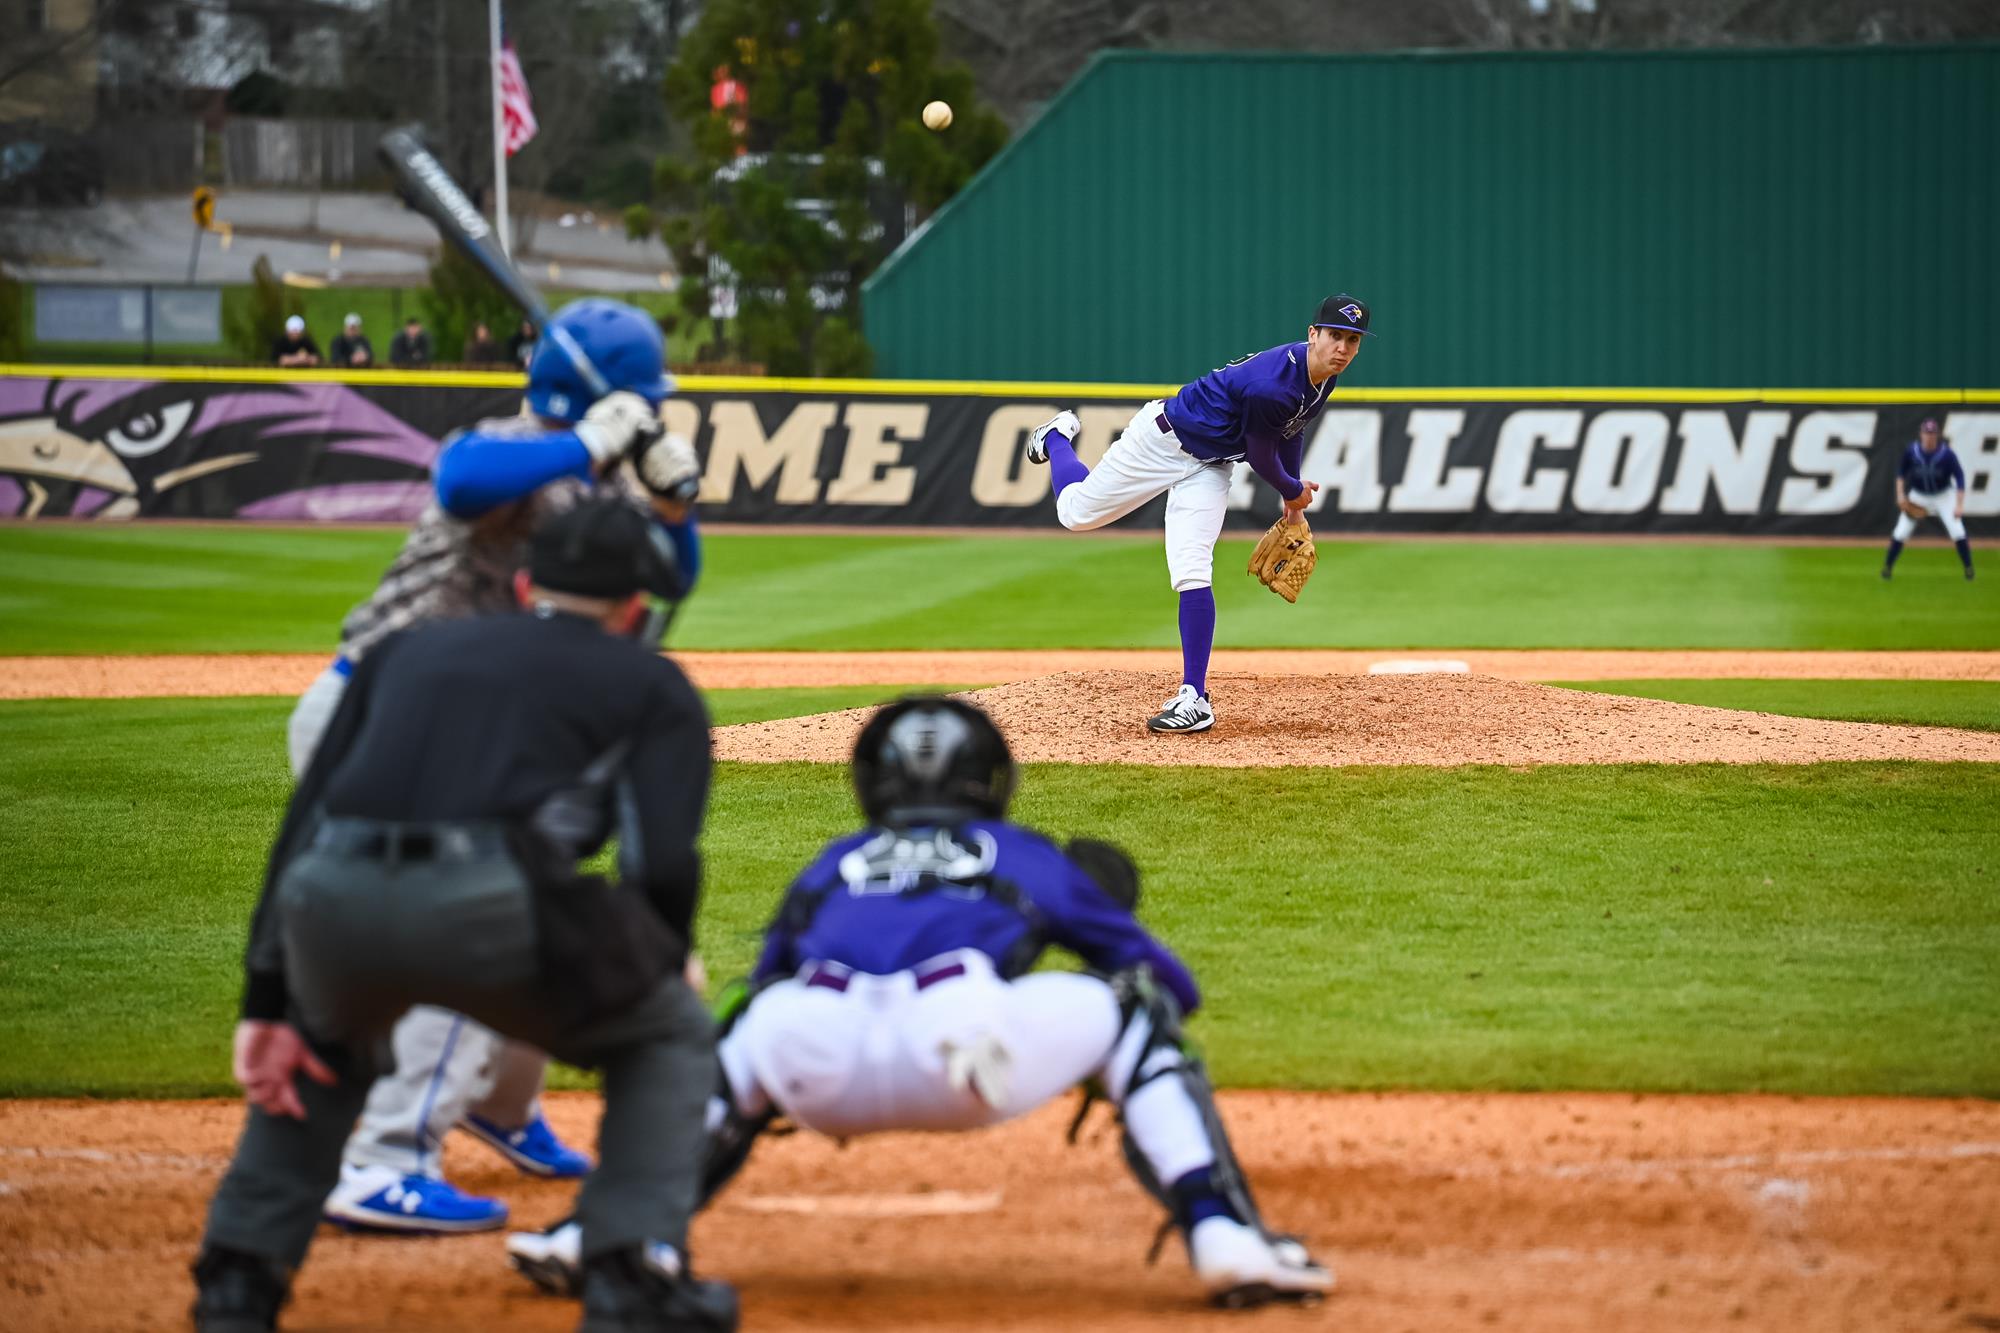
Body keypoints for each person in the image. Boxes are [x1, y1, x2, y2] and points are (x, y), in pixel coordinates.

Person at [505, 697, 1333, 1312]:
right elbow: (1169, 982)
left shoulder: (838, 858)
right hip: (963, 1049)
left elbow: (765, 982)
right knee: (1134, 1006)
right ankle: (1224, 1233)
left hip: (808, 1050)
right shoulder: (1016, 850)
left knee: (739, 1036)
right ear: (990, 779)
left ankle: (602, 1237)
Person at [190, 496, 738, 1333]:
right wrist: (656, 959)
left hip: (329, 894)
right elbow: (660, 860)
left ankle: (236, 1281)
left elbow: (304, 824)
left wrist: (268, 1001)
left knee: (323, 1049)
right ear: (634, 607)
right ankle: (628, 1272)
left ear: (525, 586)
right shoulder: (651, 679)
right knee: (668, 1035)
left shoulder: (405, 650)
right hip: (490, 897)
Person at [287, 298, 706, 1235]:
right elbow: (464, 478)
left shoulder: (601, 481)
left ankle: (502, 1106)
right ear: (613, 394)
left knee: (528, 901)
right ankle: (383, 1156)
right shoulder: (509, 442)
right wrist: (590, 441)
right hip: (375, 715)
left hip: (457, 735)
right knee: (472, 927)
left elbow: (667, 579)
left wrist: (674, 509)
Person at [1024, 294, 1372, 733]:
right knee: (1074, 514)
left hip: (1210, 465)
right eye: (1335, 336)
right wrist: (1291, 490)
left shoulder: (1321, 377)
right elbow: (1263, 457)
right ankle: (1057, 435)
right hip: (1161, 442)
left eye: (1353, 340)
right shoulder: (1273, 385)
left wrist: (1292, 502)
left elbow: (1291, 432)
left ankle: (1194, 697)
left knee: (1192, 570)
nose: (1342, 348)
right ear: (1313, 335)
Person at [1882, 416, 1974, 581]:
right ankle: (1887, 568)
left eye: (1932, 433)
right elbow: (1901, 474)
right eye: (1926, 433)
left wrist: (1959, 505)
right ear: (1921, 434)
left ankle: (1968, 568)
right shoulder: (1912, 451)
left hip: (1944, 496)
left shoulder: (1947, 454)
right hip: (1918, 495)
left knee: (1957, 531)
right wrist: (1900, 495)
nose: (1929, 436)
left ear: (1937, 435)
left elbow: (1959, 477)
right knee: (1901, 532)